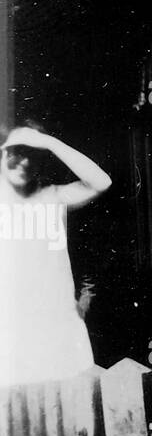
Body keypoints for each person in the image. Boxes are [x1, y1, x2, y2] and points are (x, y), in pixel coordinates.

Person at [0, 125, 111, 388]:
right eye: (17, 153)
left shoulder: (55, 198)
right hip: (11, 327)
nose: (24, 162)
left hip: (56, 325)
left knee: (65, 406)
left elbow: (101, 181)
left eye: (33, 155)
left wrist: (49, 143)